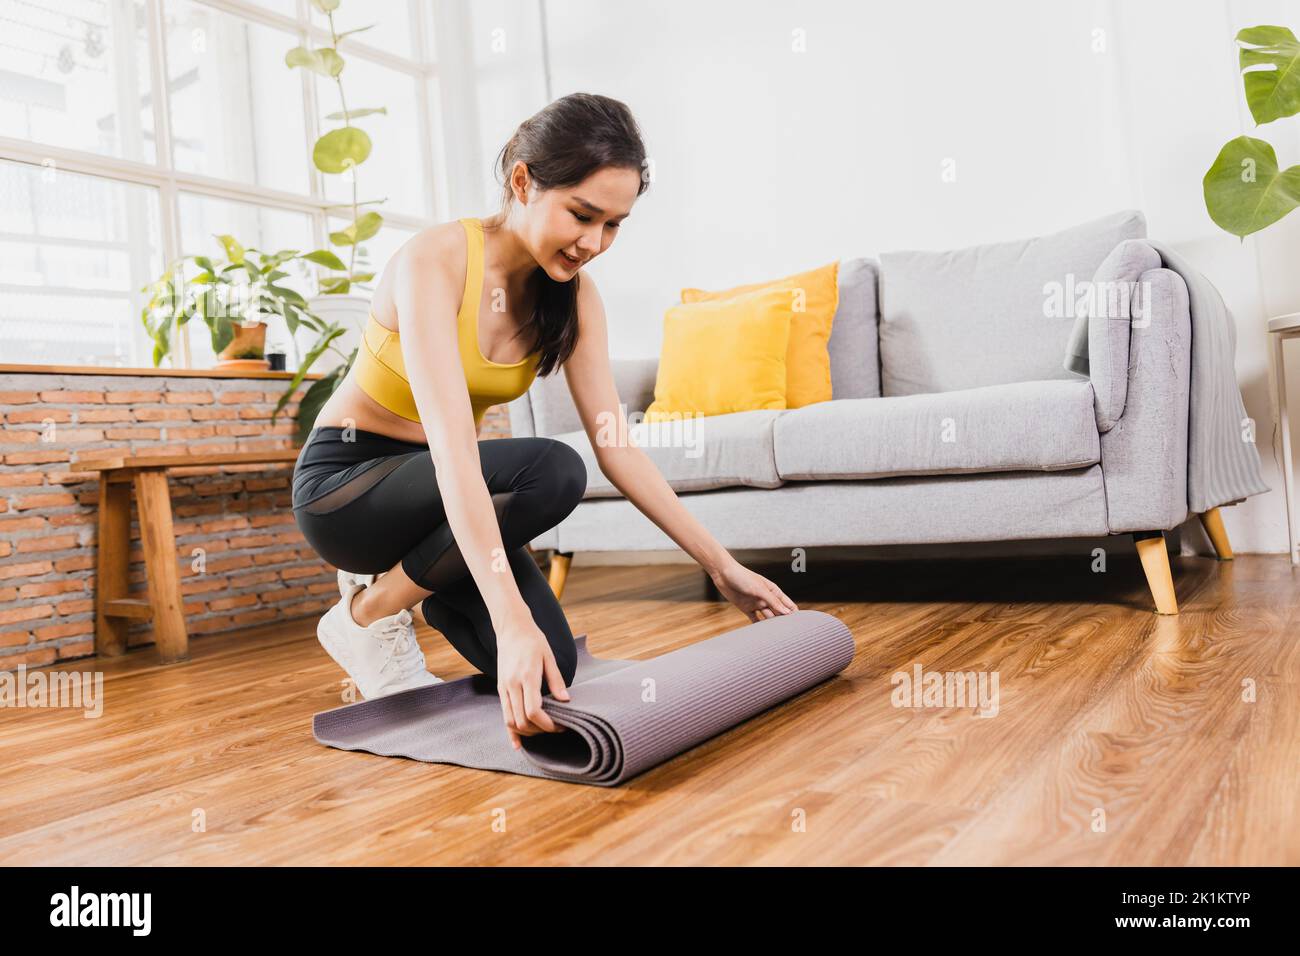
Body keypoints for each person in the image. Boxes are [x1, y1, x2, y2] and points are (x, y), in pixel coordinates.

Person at [292, 92, 798, 752]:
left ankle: (407, 595)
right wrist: (506, 617)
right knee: (552, 470)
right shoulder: (435, 262)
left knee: (556, 669)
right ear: (523, 181)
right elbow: (453, 452)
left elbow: (617, 448)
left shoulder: (576, 298)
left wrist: (724, 565)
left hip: (441, 507)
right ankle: (370, 612)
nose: (593, 243)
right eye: (582, 215)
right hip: (350, 492)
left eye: (613, 224)